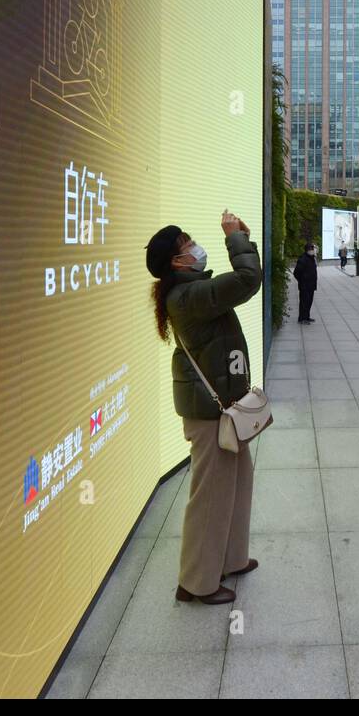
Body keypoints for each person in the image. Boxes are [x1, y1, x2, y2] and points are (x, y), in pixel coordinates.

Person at [146, 211, 262, 606]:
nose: (195, 248)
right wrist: (235, 240)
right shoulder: (188, 296)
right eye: (187, 245)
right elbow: (247, 280)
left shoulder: (194, 290)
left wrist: (241, 239)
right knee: (210, 495)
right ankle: (196, 583)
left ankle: (229, 559)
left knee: (237, 482)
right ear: (177, 262)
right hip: (209, 413)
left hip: (227, 408)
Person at [294, 242, 318, 323]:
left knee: (309, 301)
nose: (314, 251)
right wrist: (302, 281)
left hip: (311, 285)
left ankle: (307, 317)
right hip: (305, 286)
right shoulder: (303, 259)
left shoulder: (312, 258)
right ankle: (302, 318)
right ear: (308, 250)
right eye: (313, 249)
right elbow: (296, 273)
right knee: (304, 302)